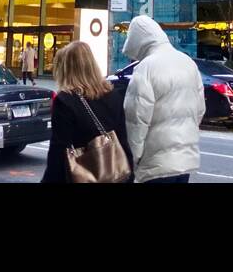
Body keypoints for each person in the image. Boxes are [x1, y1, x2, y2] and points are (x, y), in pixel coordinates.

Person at [122, 15, 205, 184]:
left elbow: (137, 120)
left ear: (138, 41)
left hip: (155, 163)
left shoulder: (145, 67)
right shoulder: (187, 62)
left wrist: (135, 159)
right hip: (184, 159)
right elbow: (199, 109)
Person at [41, 41, 133, 183]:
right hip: (114, 174)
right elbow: (122, 140)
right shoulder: (113, 95)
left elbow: (59, 153)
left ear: (67, 69)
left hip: (85, 175)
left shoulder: (65, 101)